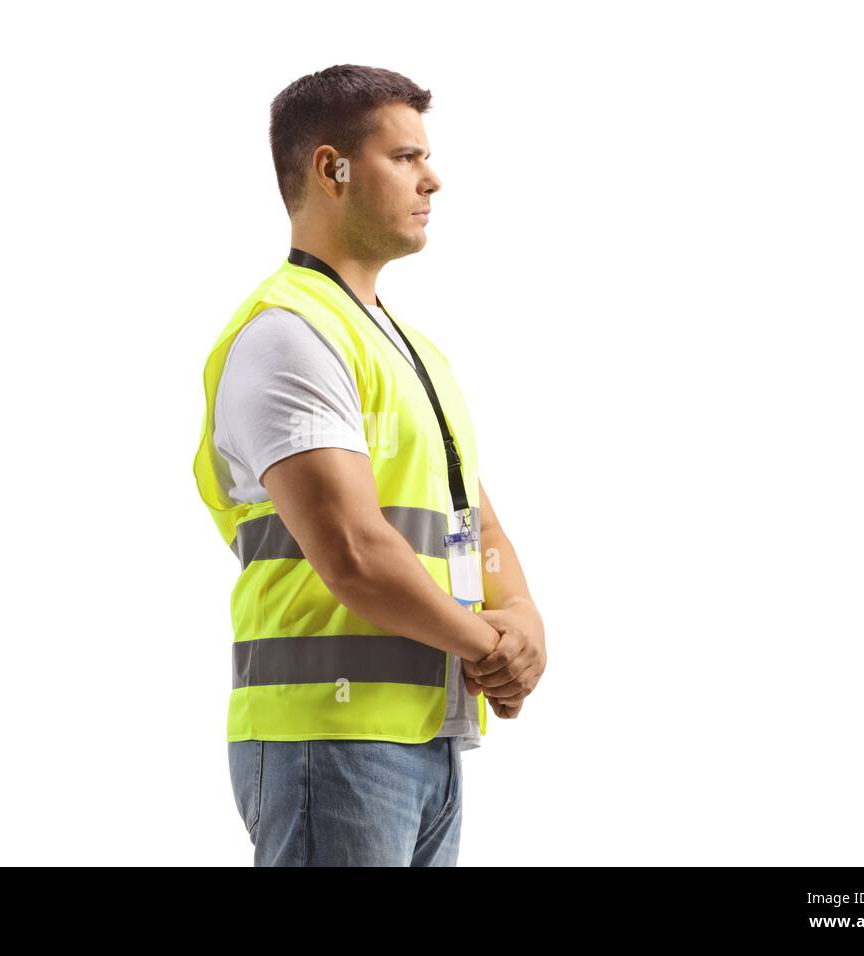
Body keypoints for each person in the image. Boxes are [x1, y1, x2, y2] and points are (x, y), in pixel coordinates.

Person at [192, 64, 546, 866]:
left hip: (427, 737)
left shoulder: (413, 350)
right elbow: (354, 552)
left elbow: (474, 522)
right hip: (329, 738)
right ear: (332, 169)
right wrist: (488, 646)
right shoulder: (288, 333)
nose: (434, 179)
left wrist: (522, 618)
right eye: (406, 157)